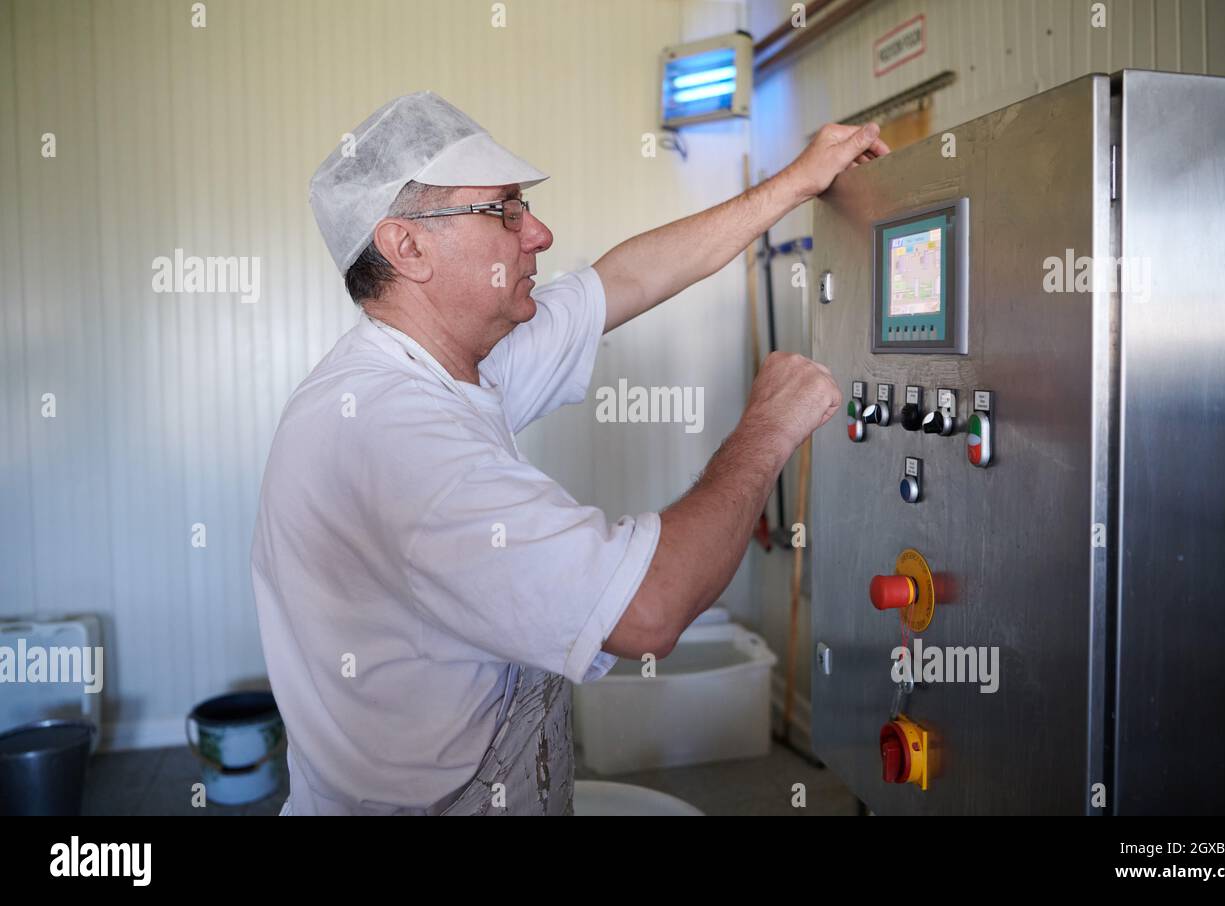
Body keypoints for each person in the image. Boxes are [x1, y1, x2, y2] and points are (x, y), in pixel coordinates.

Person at [251, 91, 889, 815]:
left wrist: (795, 182)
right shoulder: (395, 434)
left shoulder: (453, 358)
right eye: (505, 211)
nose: (540, 234)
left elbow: (626, 280)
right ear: (408, 246)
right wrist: (770, 427)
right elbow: (648, 611)